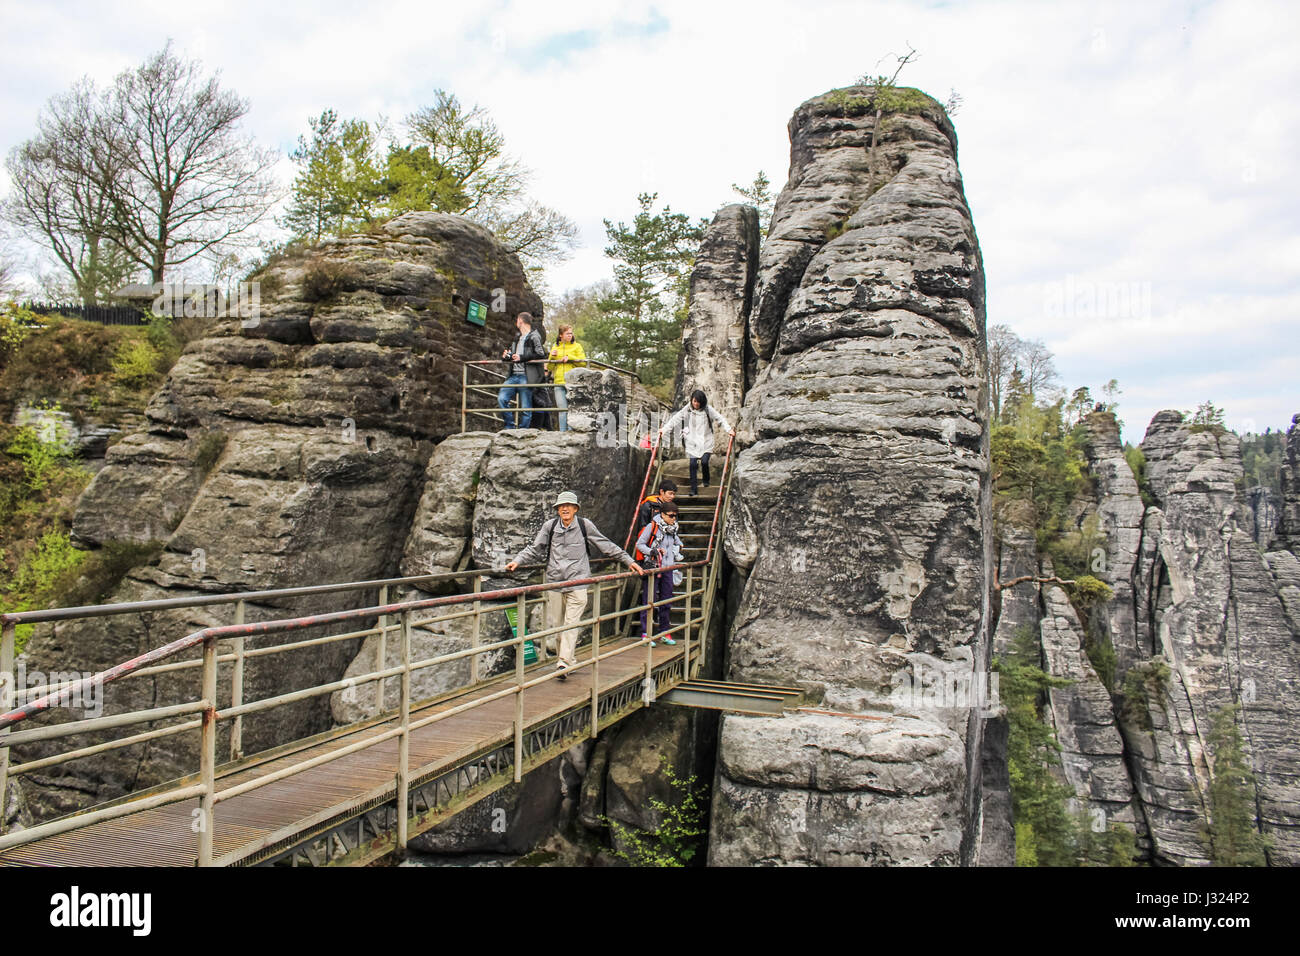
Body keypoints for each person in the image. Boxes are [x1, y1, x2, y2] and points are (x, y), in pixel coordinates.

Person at [506, 491, 645, 679]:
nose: (564, 509)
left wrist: (628, 561)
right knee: (558, 627)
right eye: (561, 506)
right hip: (554, 583)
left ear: (575, 508)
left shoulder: (584, 525)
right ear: (557, 509)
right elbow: (535, 548)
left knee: (571, 624)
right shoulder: (550, 526)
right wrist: (518, 561)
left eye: (568, 506)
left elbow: (605, 545)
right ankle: (569, 661)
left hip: (578, 582)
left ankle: (562, 663)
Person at [661, 390, 735, 495]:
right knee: (693, 465)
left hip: (706, 441)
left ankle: (706, 480)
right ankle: (693, 489)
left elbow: (720, 418)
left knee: (704, 462)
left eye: (698, 402)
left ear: (702, 402)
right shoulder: (687, 409)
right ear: (691, 400)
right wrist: (663, 430)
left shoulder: (708, 409)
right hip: (692, 442)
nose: (695, 404)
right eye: (694, 401)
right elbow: (675, 419)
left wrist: (729, 430)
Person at [634, 501, 684, 644]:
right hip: (654, 568)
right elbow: (639, 544)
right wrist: (652, 551)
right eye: (671, 516)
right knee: (649, 602)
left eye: (675, 516)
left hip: (668, 568)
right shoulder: (653, 526)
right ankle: (646, 633)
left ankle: (664, 632)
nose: (673, 518)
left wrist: (679, 546)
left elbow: (676, 541)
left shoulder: (673, 528)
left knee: (666, 601)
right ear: (662, 514)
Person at [497, 312, 547, 429]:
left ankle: (523, 431)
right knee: (502, 399)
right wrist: (507, 356)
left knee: (525, 407)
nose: (516, 323)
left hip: (526, 376)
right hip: (513, 376)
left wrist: (522, 357)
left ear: (520, 321)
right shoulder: (517, 337)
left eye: (517, 320)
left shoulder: (534, 336)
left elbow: (541, 354)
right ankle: (509, 427)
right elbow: (514, 355)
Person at [548, 325, 587, 432]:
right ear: (561, 335)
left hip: (573, 383)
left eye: (571, 333)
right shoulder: (555, 347)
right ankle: (562, 434)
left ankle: (571, 433)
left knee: (572, 410)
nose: (570, 335)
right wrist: (551, 356)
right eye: (567, 333)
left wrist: (570, 358)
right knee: (562, 410)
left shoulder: (577, 346)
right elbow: (549, 367)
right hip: (559, 383)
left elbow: (583, 362)